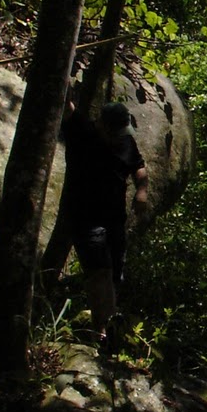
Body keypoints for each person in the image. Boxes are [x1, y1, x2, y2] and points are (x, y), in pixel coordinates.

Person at [59, 96, 147, 348]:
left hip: (114, 220)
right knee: (99, 273)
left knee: (115, 274)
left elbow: (139, 168)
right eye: (116, 131)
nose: (121, 136)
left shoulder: (125, 142)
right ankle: (102, 330)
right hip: (85, 218)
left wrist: (142, 191)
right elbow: (67, 106)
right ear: (102, 125)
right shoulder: (83, 133)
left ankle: (111, 326)